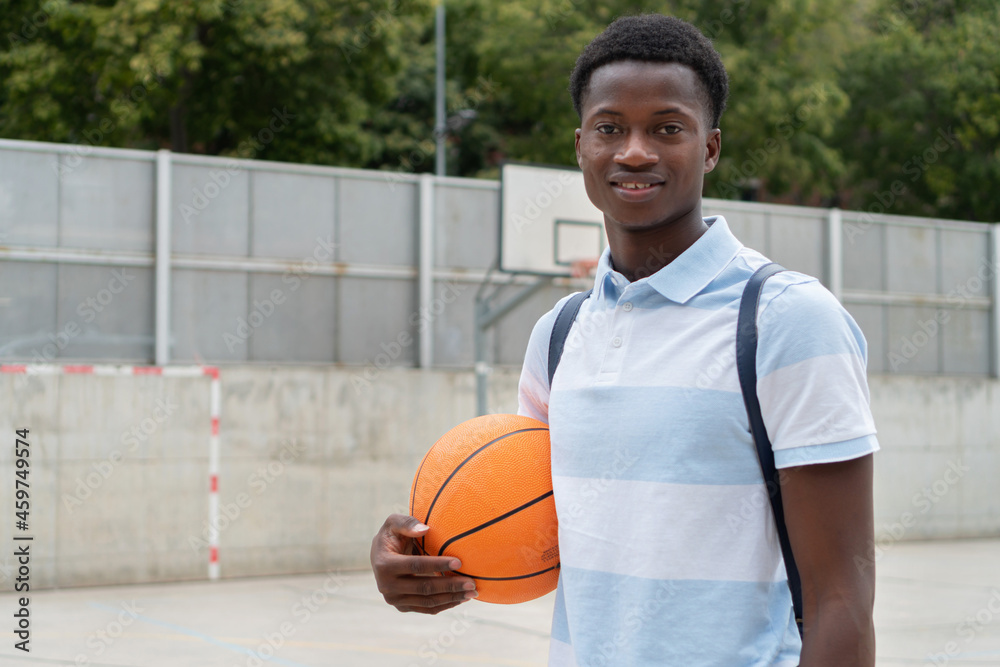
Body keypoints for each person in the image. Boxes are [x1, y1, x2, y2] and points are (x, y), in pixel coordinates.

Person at [371, 13, 878, 666]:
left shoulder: (787, 319)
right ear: (581, 145)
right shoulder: (559, 334)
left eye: (668, 127)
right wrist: (422, 559)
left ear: (711, 148)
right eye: (611, 128)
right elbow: (534, 537)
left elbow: (844, 597)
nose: (634, 151)